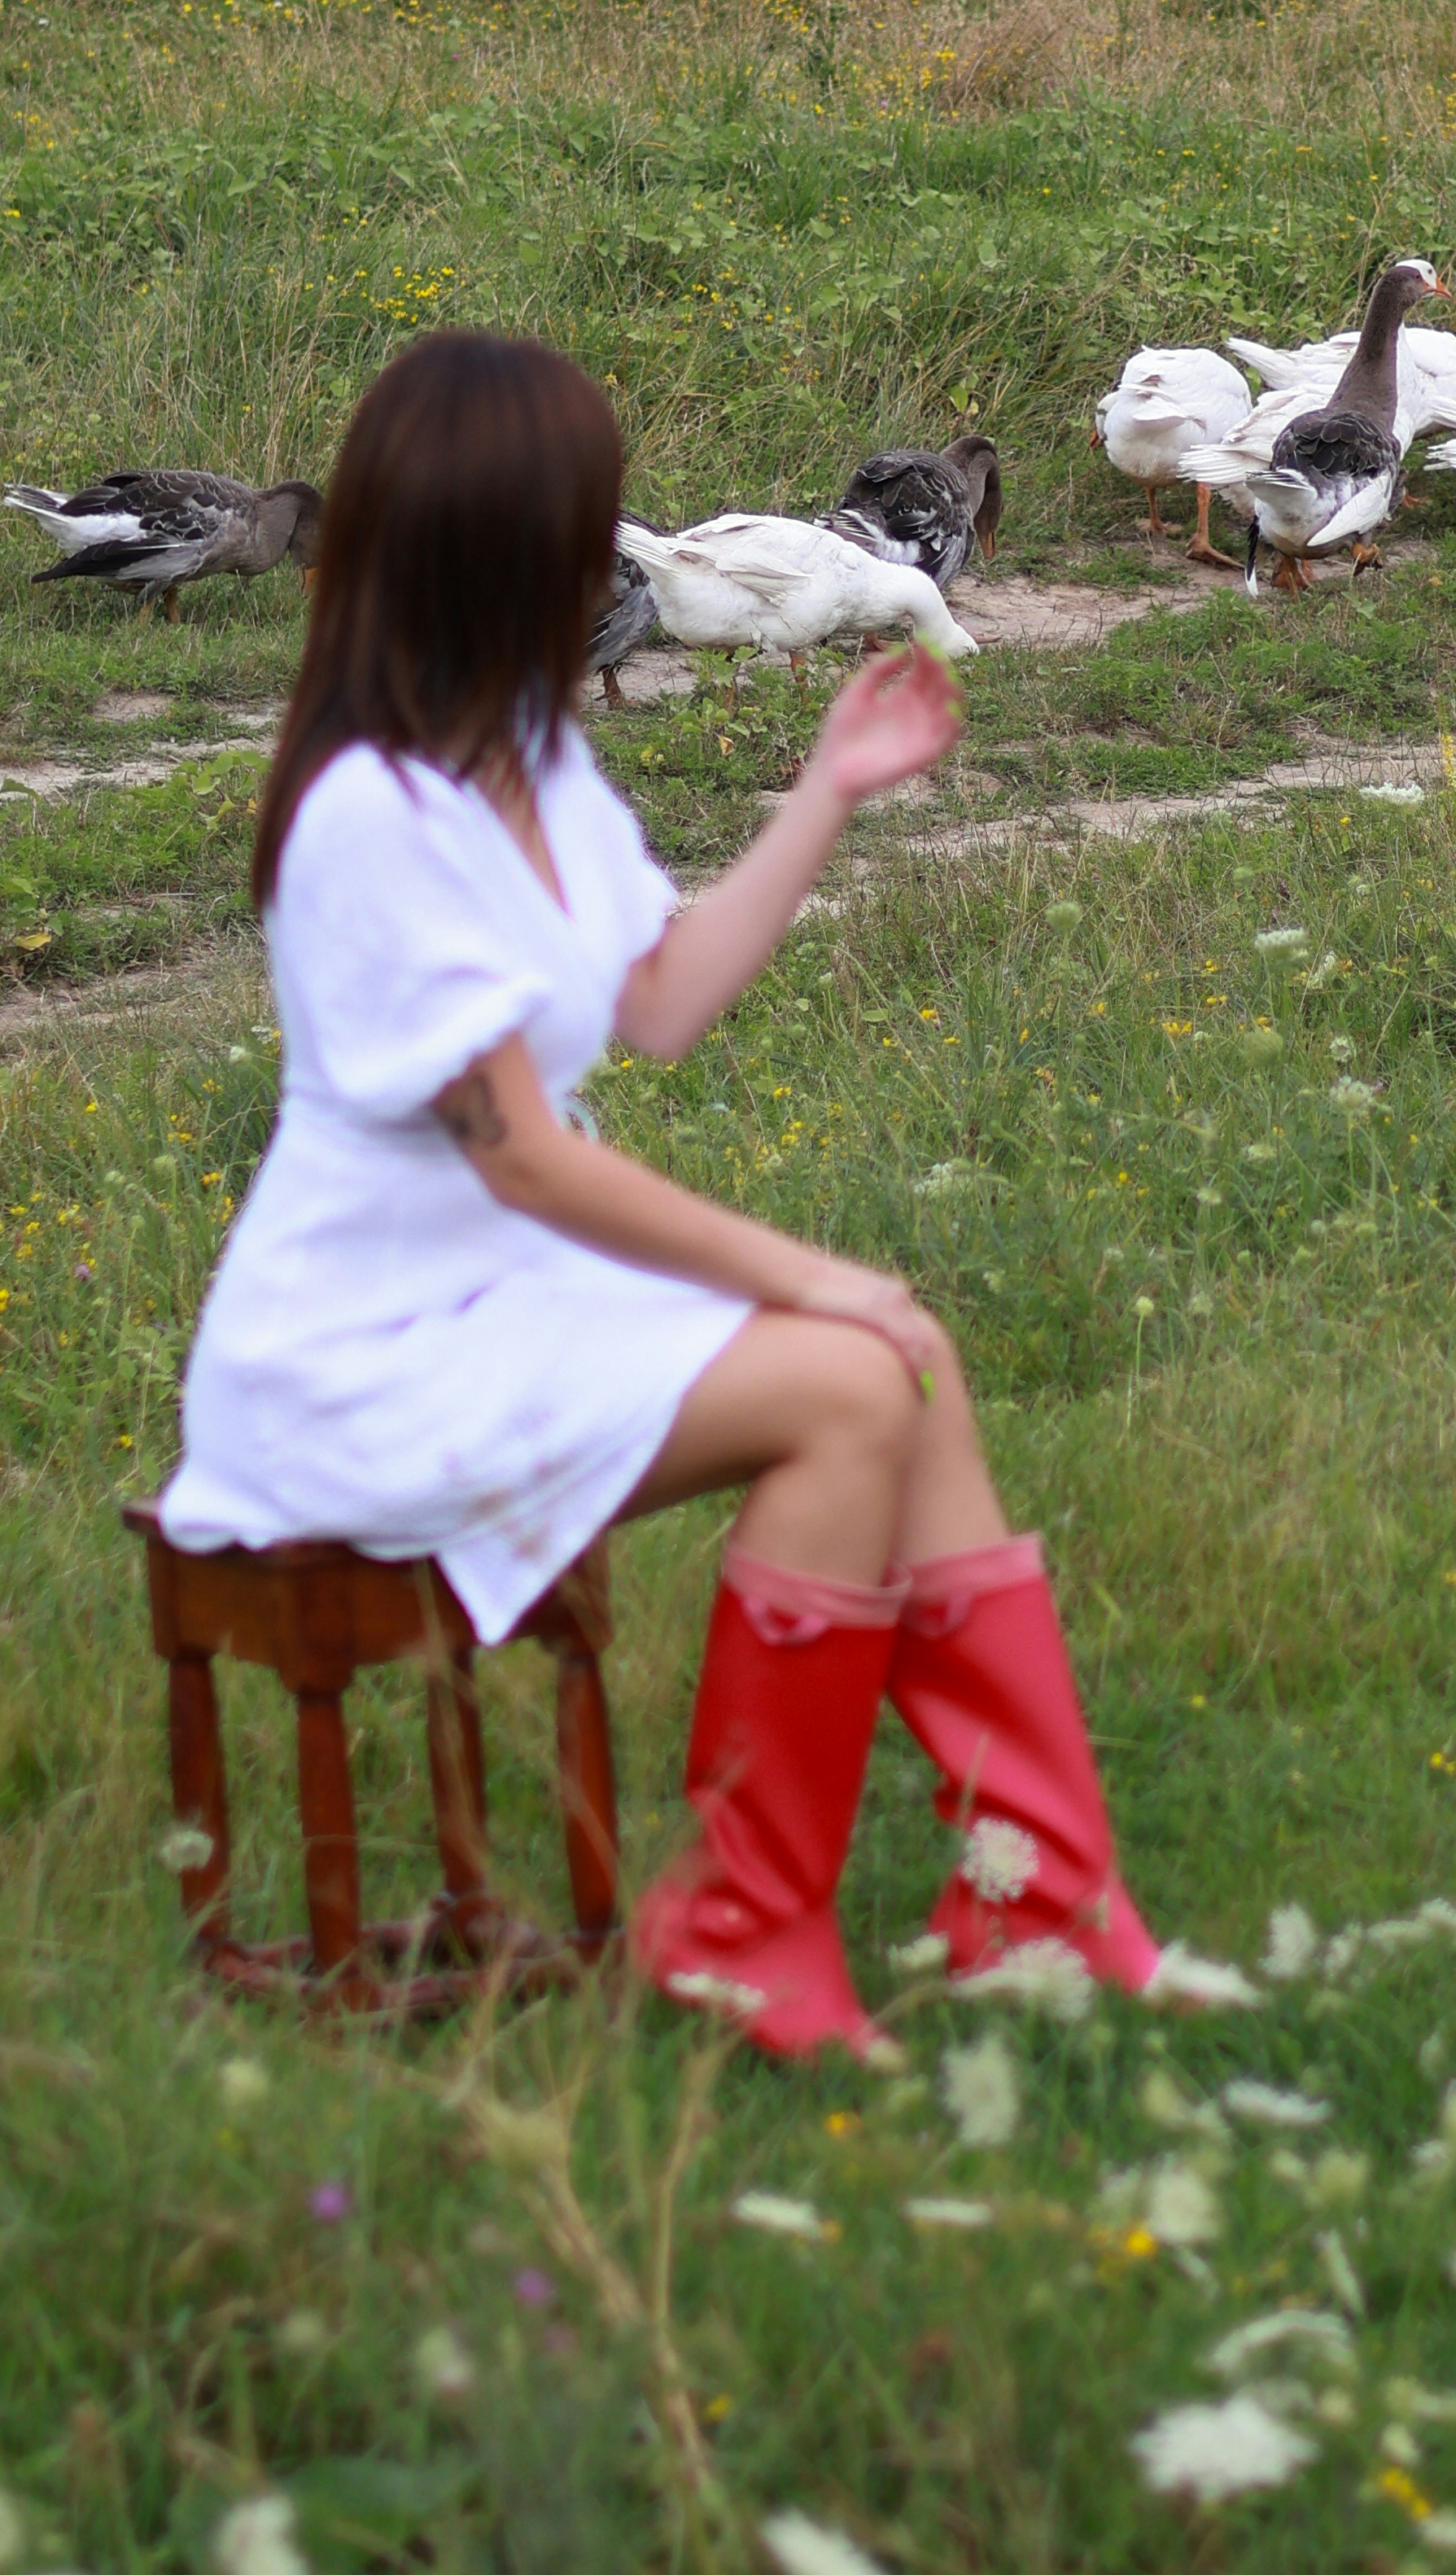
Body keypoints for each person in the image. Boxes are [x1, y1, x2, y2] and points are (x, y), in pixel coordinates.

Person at [157, 326, 1172, 2058]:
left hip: (508, 1312)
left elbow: (660, 1001)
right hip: (358, 1360)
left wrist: (826, 791)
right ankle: (749, 1918)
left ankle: (1033, 1896)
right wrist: (811, 1277)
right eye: (581, 530)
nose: (613, 559)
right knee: (861, 1368)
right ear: (486, 550)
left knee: (896, 1355)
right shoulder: (365, 816)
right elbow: (524, 1156)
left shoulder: (529, 758)